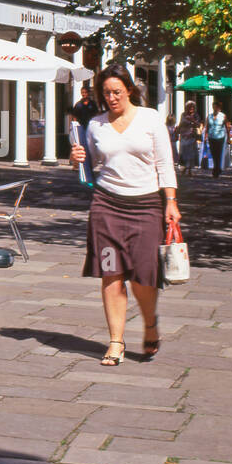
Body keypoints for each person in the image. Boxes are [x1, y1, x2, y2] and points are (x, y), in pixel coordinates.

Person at [71, 64, 180, 365]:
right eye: (106, 93)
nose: (112, 97)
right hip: (106, 207)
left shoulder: (150, 119)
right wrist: (77, 159)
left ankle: (149, 324)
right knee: (111, 273)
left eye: (117, 91)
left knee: (143, 276)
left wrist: (170, 201)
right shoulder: (95, 125)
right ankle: (116, 341)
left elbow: (165, 164)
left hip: (146, 205)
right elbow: (92, 167)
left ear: (130, 90)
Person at [69, 84, 97, 156]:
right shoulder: (78, 104)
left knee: (90, 143)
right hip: (81, 127)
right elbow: (74, 116)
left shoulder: (93, 104)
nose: (83, 94)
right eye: (82, 92)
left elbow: (96, 114)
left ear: (88, 93)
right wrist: (74, 126)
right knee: (81, 143)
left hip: (90, 126)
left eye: (85, 92)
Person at [177, 103, 201, 176]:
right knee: (183, 153)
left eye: (192, 108)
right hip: (184, 135)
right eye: (189, 107)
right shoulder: (183, 115)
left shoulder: (196, 115)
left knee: (191, 153)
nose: (191, 109)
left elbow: (198, 125)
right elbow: (181, 124)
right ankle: (184, 168)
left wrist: (193, 120)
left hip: (192, 136)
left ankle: (190, 169)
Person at [205, 105, 229, 178]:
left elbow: (227, 126)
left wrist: (229, 138)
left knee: (218, 153)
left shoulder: (223, 116)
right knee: (213, 153)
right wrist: (206, 136)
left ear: (219, 108)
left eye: (217, 107)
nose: (215, 109)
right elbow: (207, 127)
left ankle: (216, 169)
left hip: (220, 137)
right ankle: (217, 167)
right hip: (211, 137)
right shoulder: (209, 116)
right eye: (214, 107)